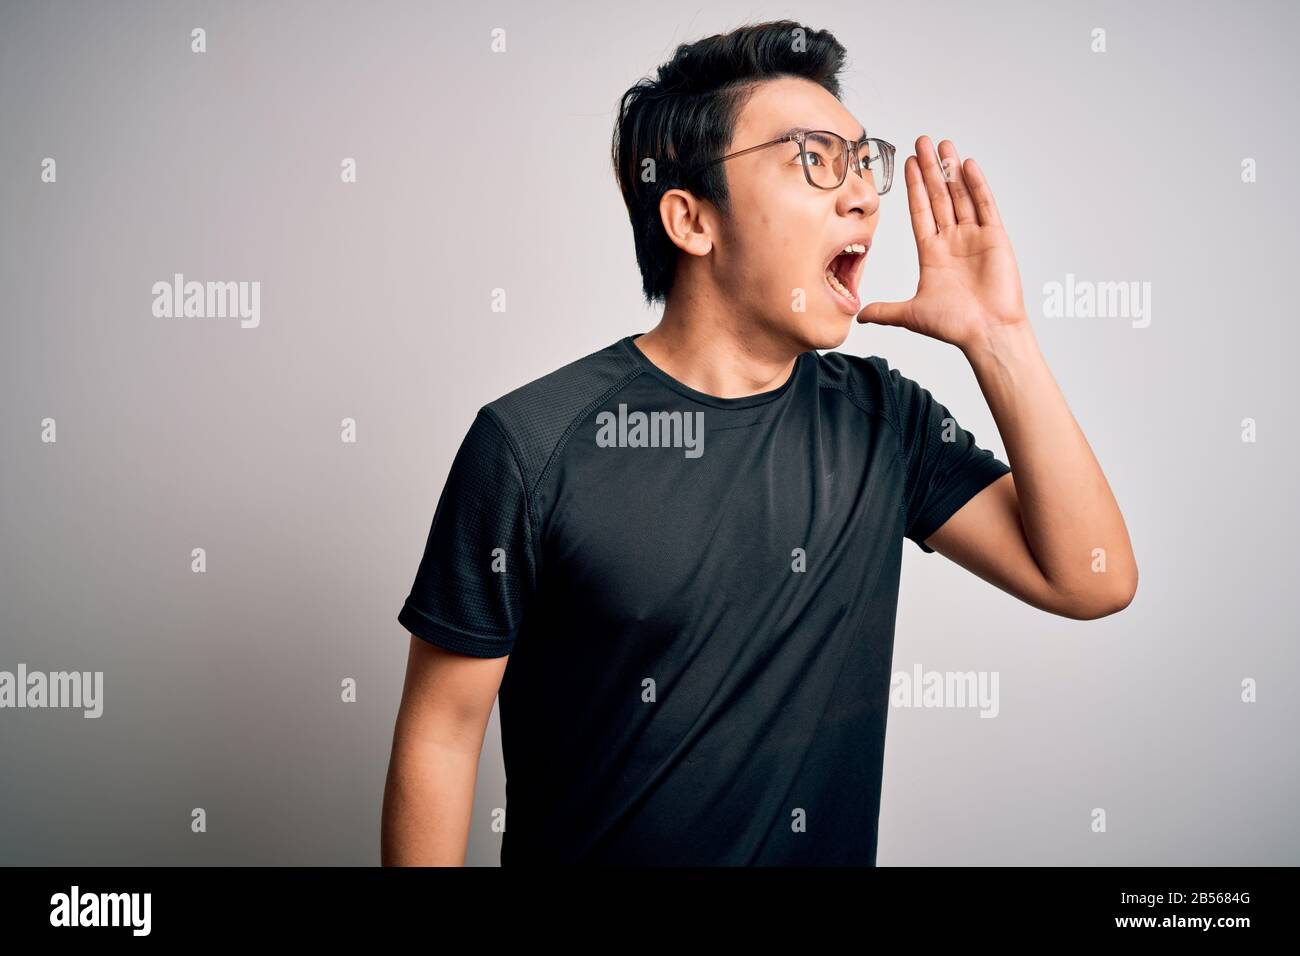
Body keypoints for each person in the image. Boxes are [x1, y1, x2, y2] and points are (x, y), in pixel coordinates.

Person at [381, 19, 1137, 866]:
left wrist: (999, 336)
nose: (860, 195)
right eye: (812, 159)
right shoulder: (529, 444)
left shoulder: (886, 421)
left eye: (860, 163)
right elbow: (441, 739)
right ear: (692, 220)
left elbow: (1090, 580)